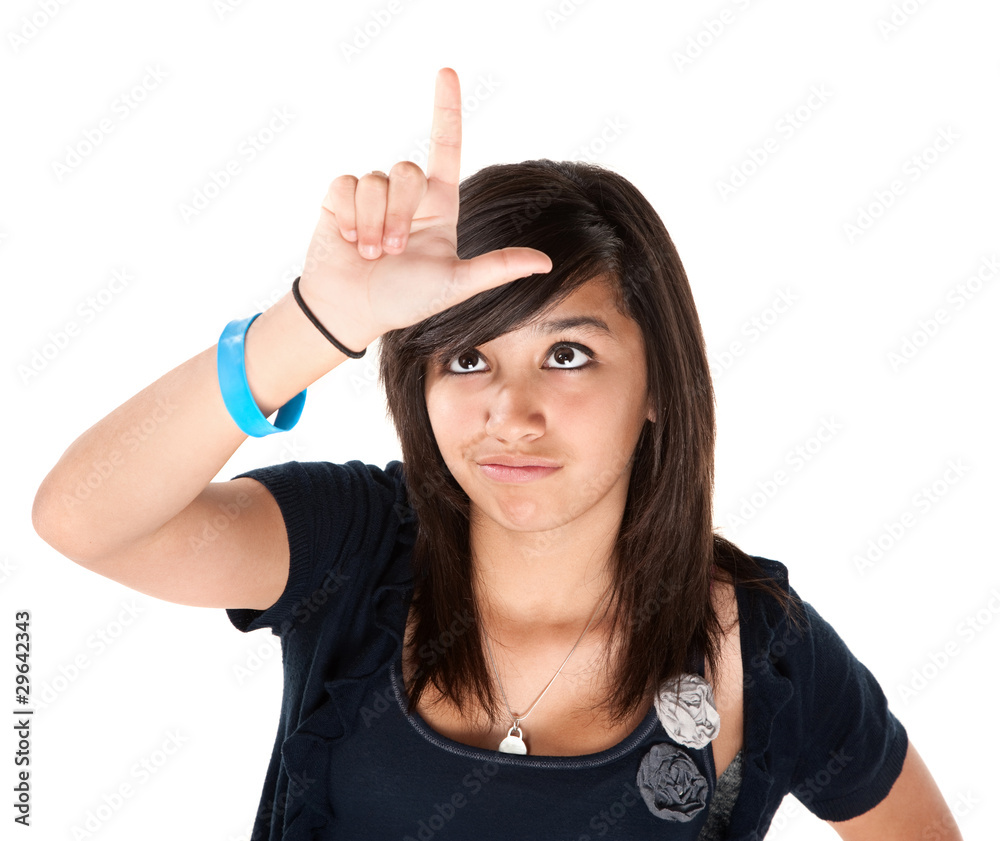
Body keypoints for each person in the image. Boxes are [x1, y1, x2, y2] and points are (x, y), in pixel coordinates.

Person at [32, 67, 961, 840]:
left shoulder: (762, 652)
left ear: (659, 390)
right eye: (468, 357)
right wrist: (315, 324)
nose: (511, 413)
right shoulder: (352, 550)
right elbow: (83, 518)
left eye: (568, 354)